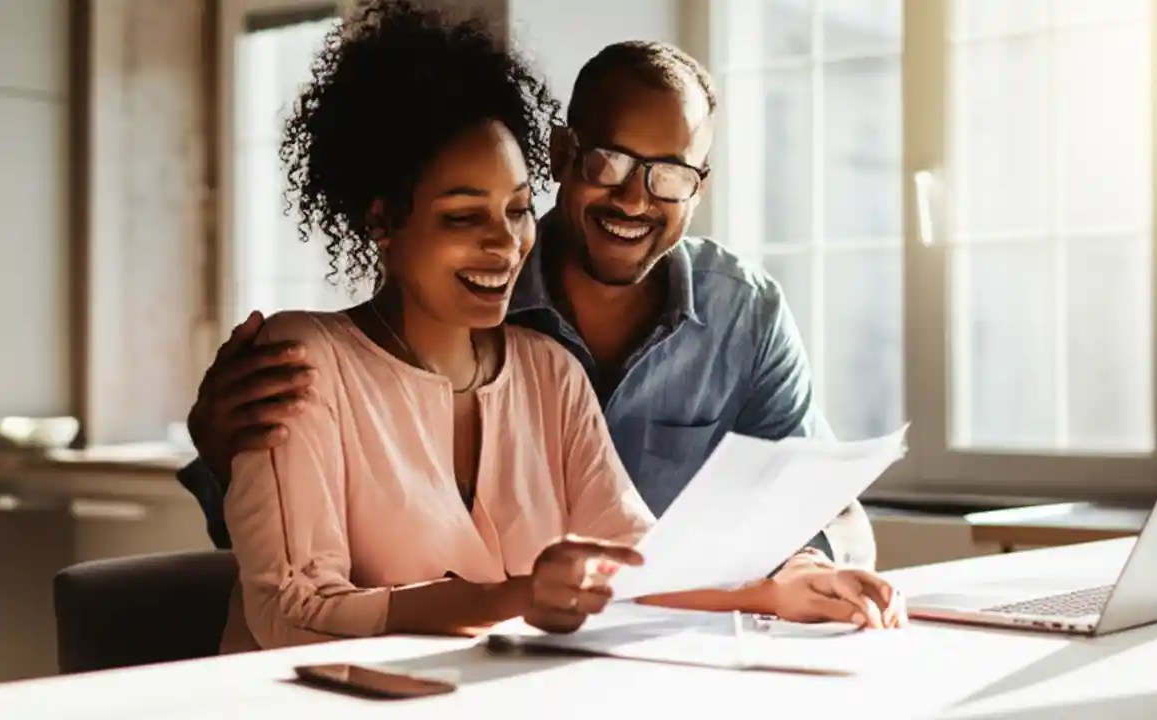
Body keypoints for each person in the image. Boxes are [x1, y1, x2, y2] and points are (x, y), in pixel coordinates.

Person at [215, 2, 901, 651]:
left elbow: (638, 565)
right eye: (464, 216)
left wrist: (774, 592)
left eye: (516, 211)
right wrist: (518, 597)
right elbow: (289, 610)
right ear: (383, 220)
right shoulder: (303, 360)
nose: (504, 244)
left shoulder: (549, 370)